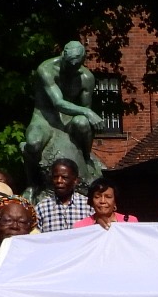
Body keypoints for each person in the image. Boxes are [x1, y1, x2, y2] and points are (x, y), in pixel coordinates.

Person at [23, 40, 102, 196]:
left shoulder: (86, 78)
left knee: (83, 123)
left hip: (68, 120)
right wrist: (88, 112)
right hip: (45, 118)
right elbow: (58, 103)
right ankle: (32, 184)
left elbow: (85, 109)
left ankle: (86, 158)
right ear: (62, 55)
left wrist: (86, 114)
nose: (71, 70)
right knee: (33, 143)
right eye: (68, 65)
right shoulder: (46, 69)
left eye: (76, 67)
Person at [34, 158, 90, 233]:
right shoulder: (41, 208)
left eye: (64, 178)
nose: (59, 181)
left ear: (75, 180)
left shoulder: (88, 205)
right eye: (55, 177)